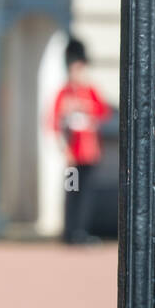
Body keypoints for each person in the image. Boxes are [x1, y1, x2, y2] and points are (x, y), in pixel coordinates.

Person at [50, 37, 110, 244]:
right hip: (72, 154)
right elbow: (54, 122)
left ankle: (80, 231)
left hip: (89, 153)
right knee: (71, 193)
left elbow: (104, 112)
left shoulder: (90, 91)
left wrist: (87, 108)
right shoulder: (63, 93)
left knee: (86, 195)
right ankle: (69, 232)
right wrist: (63, 148)